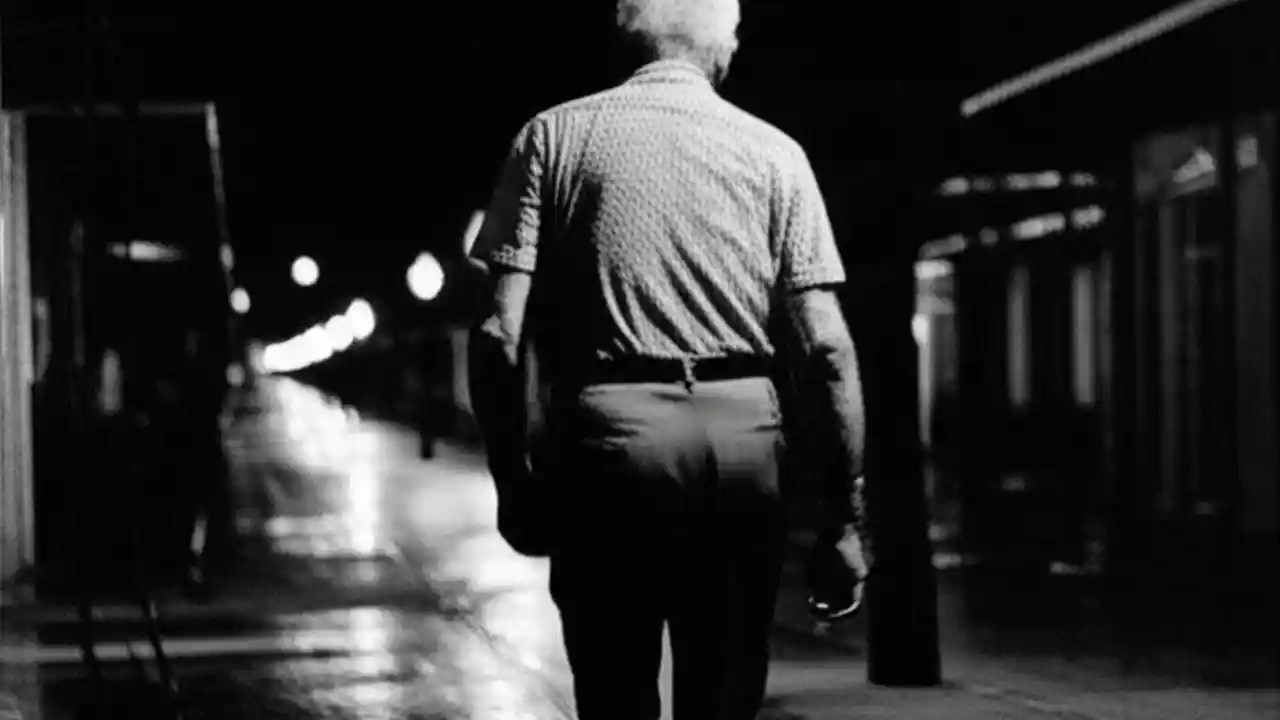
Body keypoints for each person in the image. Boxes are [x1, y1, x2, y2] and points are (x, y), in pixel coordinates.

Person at [467, 0, 870, 717]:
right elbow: (829, 348)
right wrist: (843, 517)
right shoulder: (777, 153)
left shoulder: (553, 137)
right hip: (744, 441)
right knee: (723, 689)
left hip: (609, 440)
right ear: (719, 46)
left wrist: (513, 479)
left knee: (614, 681)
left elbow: (500, 334)